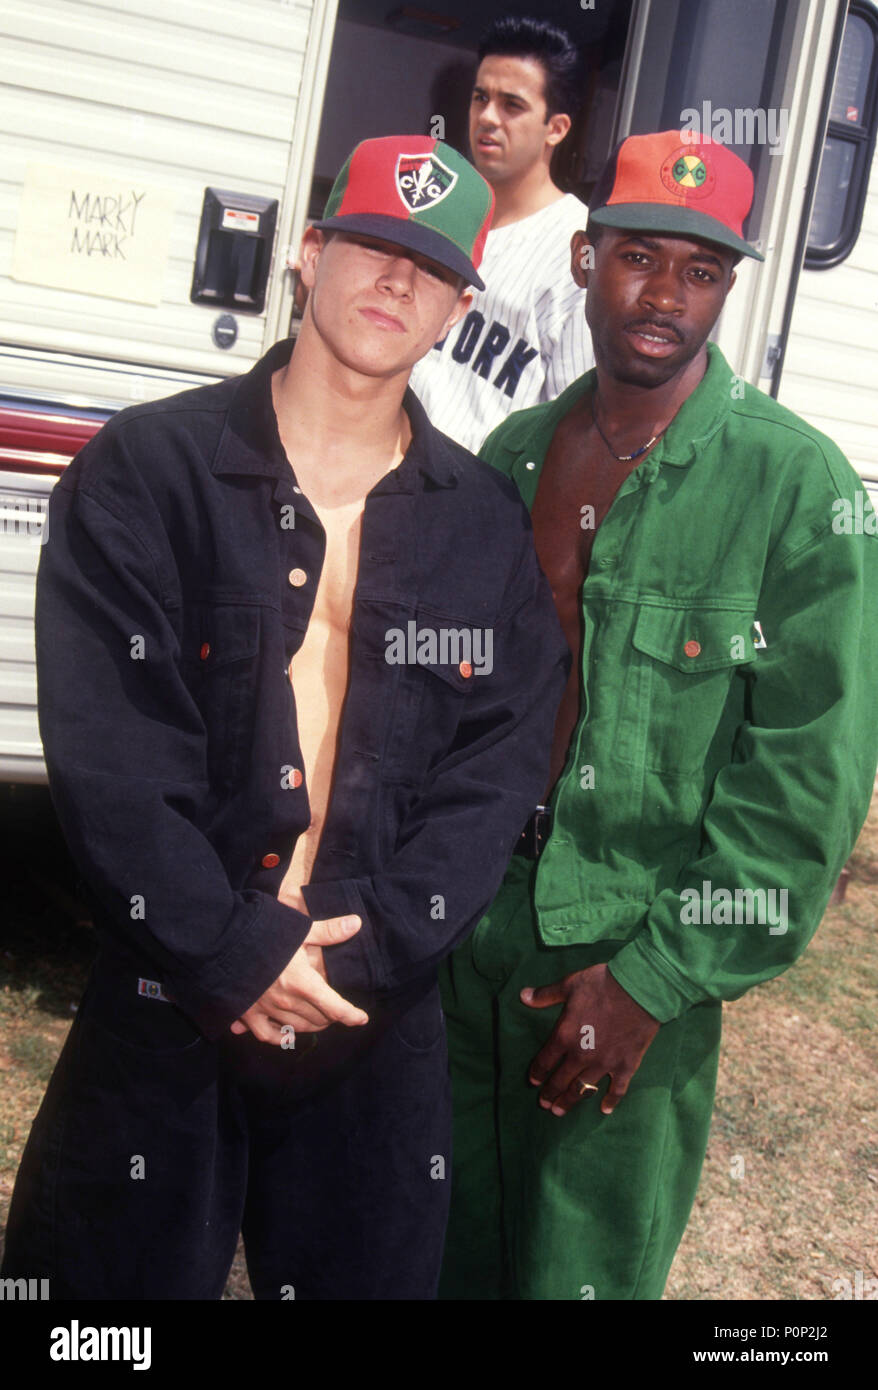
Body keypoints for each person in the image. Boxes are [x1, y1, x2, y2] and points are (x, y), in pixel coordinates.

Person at [1, 135, 570, 1301]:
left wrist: (370, 946)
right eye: (369, 247)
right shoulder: (147, 472)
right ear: (308, 255)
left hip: (372, 998)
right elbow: (112, 754)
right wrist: (234, 949)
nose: (392, 284)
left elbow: (494, 768)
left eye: (427, 268)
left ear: (459, 307)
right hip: (174, 983)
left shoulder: (478, 527)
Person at [438, 128, 878, 1300]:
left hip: (630, 948)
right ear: (585, 259)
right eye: (638, 257)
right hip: (467, 928)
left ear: (727, 285)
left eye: (699, 270)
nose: (663, 295)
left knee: (578, 1278)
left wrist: (648, 984)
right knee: (434, 1255)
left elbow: (803, 788)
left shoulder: (796, 488)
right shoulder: (515, 458)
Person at [410, 16, 593, 453]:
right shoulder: (434, 206)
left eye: (512, 104)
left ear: (557, 128)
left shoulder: (582, 248)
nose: (488, 117)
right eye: (480, 98)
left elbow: (575, 429)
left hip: (477, 500)